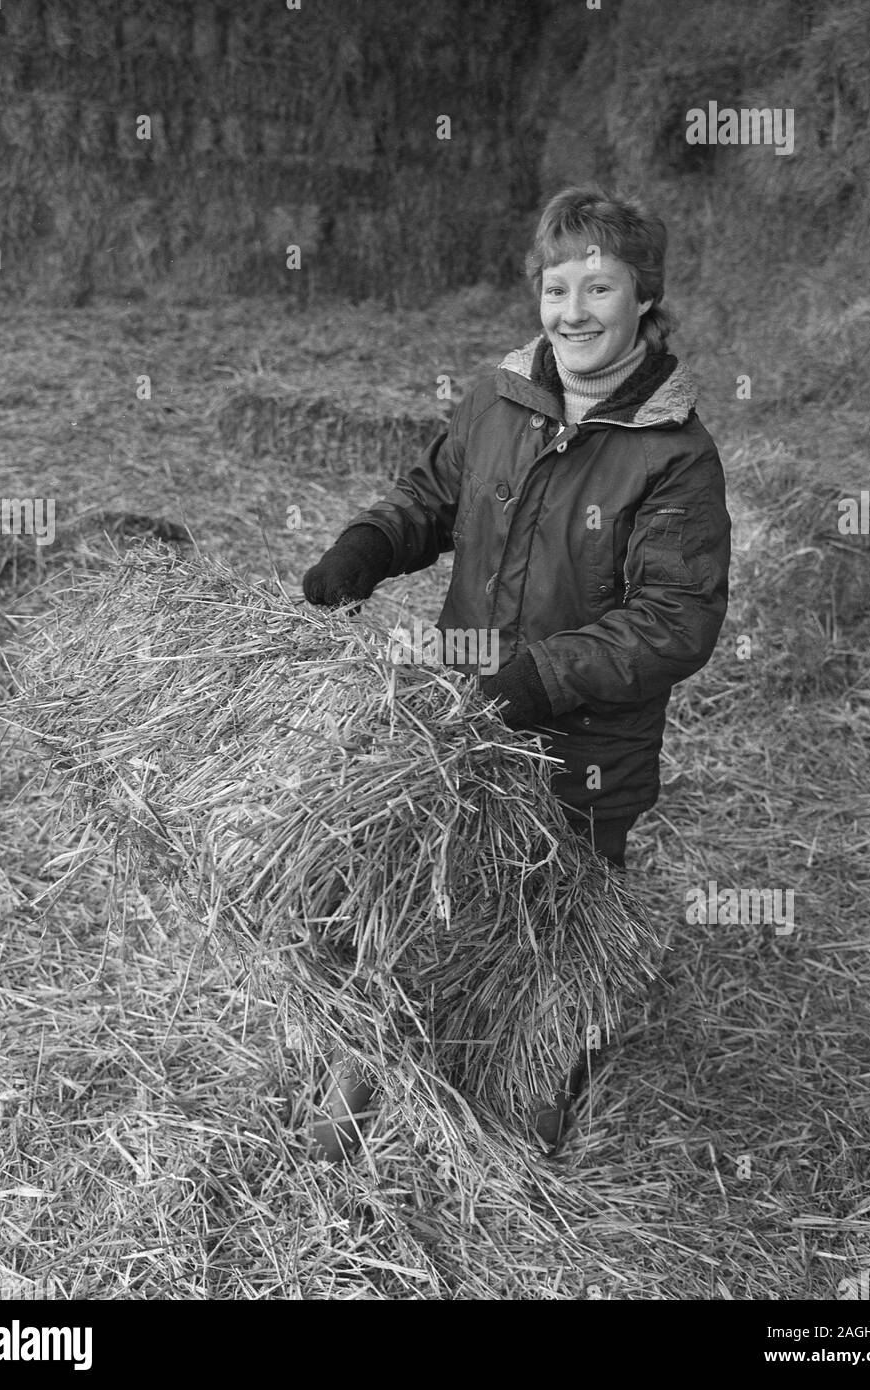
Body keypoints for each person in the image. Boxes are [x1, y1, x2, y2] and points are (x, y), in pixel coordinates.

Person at [303, 183, 731, 1160]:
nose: (572, 311)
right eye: (555, 285)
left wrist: (539, 677)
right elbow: (436, 494)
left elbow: (676, 621)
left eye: (599, 287)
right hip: (462, 709)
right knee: (431, 883)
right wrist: (370, 544)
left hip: (586, 745)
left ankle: (533, 1079)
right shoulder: (499, 396)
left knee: (558, 915)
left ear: (644, 300)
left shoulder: (674, 454)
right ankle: (379, 1049)